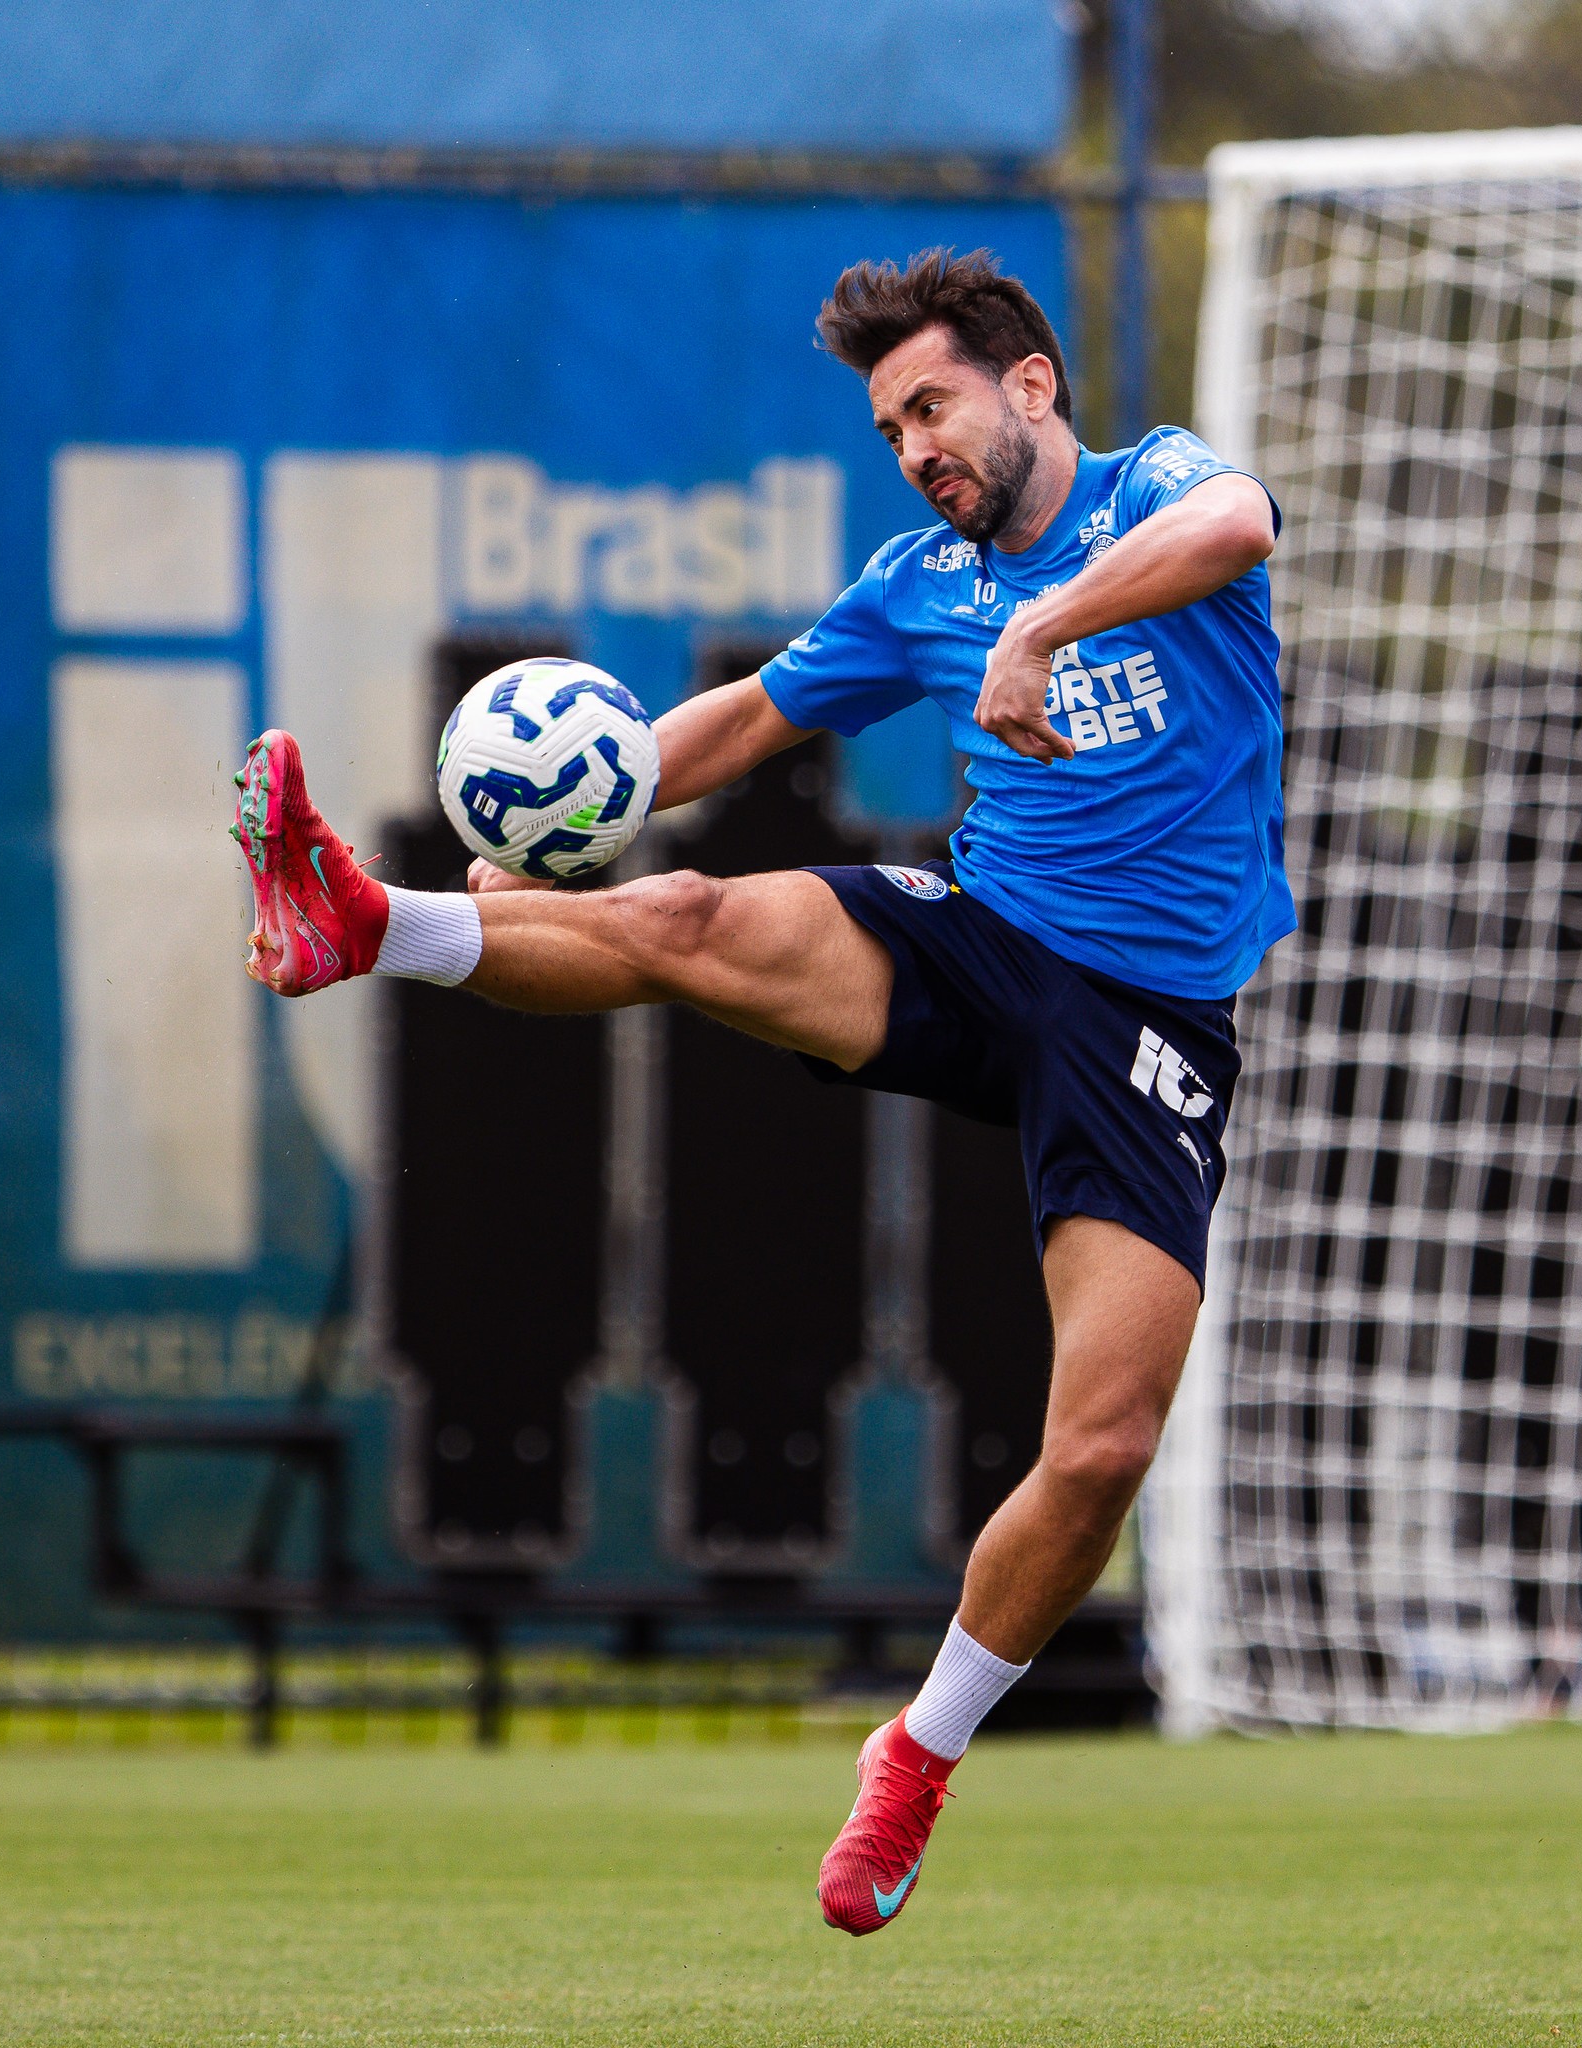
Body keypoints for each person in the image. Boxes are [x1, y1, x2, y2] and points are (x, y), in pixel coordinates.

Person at [232, 248, 1293, 1935]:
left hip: (1146, 1023)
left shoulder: (1156, 490)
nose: (916, 447)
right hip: (976, 939)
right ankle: (364, 919)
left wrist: (1048, 618)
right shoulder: (915, 581)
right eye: (888, 427)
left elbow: (1239, 527)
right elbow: (743, 721)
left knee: (1097, 1447)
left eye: (932, 404)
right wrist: (591, 789)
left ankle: (919, 1752)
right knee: (677, 914)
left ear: (1031, 387)